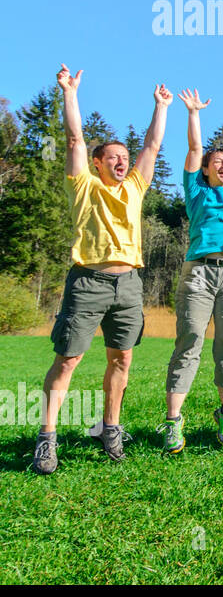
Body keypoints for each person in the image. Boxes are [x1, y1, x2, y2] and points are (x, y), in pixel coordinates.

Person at [31, 66, 171, 474]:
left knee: (121, 360)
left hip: (129, 284)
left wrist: (161, 106)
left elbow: (152, 145)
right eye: (113, 157)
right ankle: (47, 439)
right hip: (88, 281)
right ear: (96, 162)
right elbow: (74, 137)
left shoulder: (135, 187)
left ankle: (110, 428)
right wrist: (69, 93)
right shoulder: (84, 185)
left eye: (125, 158)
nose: (123, 161)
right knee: (68, 360)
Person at [160, 88, 223, 454]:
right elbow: (192, 149)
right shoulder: (196, 191)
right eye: (217, 161)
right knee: (190, 341)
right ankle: (173, 422)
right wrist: (192, 112)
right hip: (199, 273)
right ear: (205, 170)